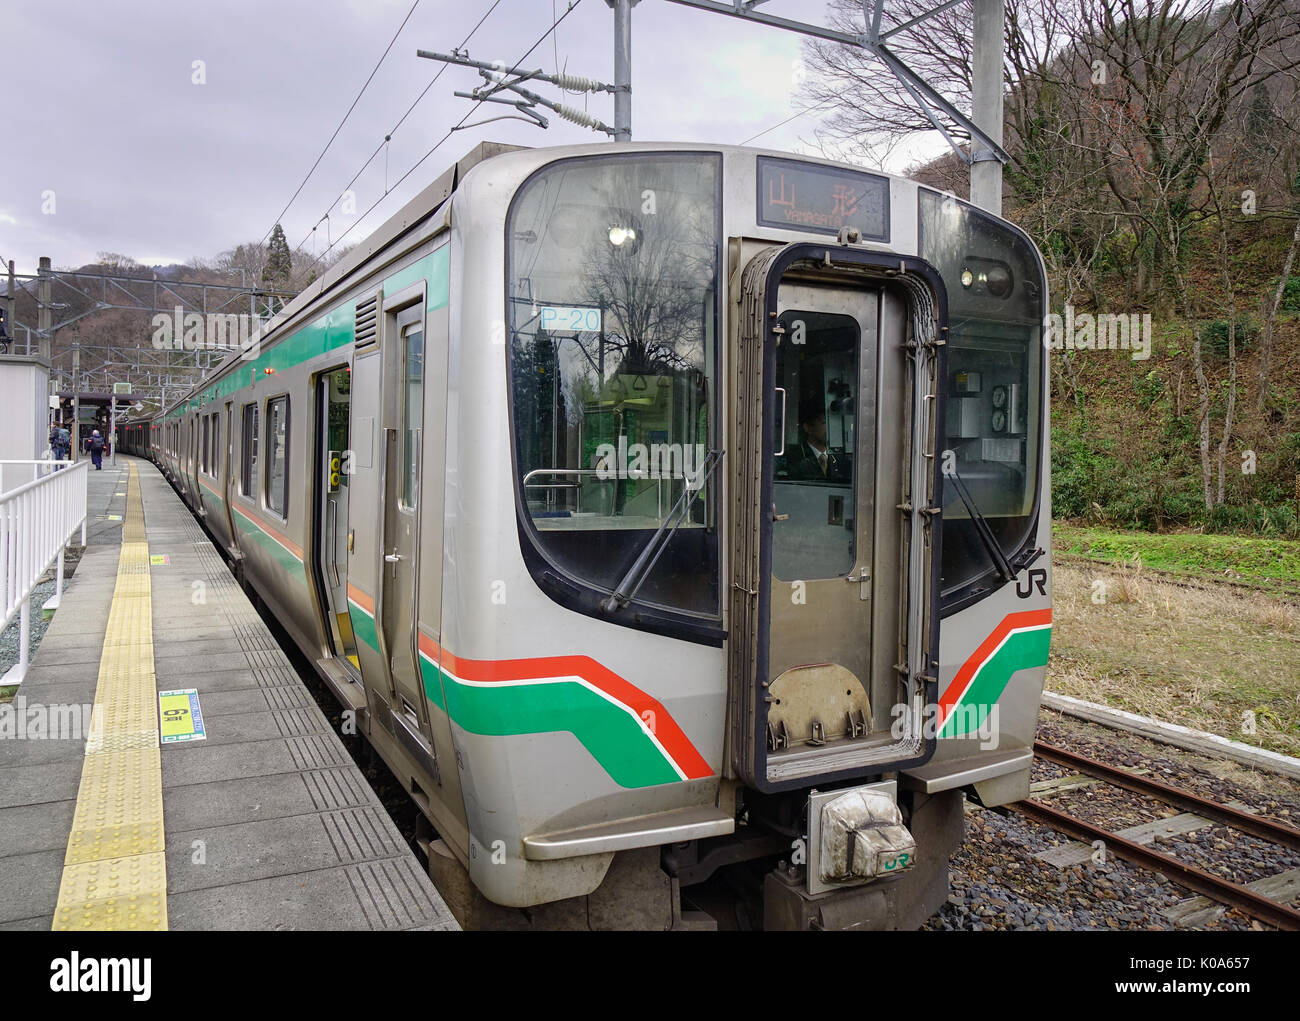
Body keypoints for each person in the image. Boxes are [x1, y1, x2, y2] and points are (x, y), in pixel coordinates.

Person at [777, 402, 850, 483]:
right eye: (824, 422)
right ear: (808, 427)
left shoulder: (840, 457)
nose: (831, 428)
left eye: (833, 423)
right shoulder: (795, 457)